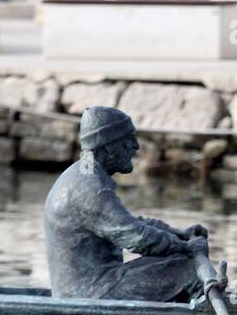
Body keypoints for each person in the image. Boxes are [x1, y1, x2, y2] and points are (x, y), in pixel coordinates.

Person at [45, 106, 210, 302]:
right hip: (87, 294)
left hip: (97, 284)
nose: (136, 146)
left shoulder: (85, 174)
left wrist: (179, 236)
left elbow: (130, 224)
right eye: (128, 139)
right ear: (108, 147)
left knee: (179, 260)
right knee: (188, 270)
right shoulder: (89, 188)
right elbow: (136, 237)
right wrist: (186, 247)